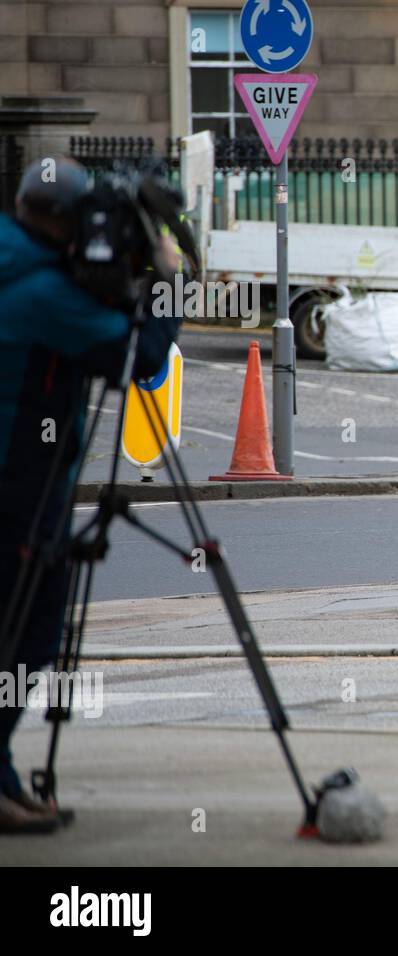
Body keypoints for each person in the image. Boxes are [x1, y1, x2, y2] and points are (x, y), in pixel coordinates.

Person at [0, 157, 180, 834]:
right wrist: (166, 281)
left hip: (23, 476)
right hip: (19, 484)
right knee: (26, 631)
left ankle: (6, 780)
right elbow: (143, 360)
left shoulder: (13, 259)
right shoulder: (44, 293)